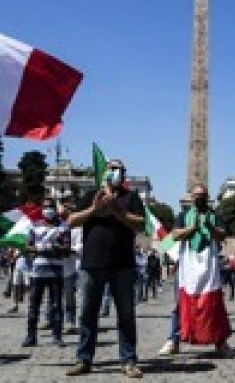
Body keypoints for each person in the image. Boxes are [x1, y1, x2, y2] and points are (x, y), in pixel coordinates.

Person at [66, 158, 145, 378]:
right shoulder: (91, 194)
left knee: (126, 315)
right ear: (104, 172)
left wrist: (118, 211)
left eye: (119, 169)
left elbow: (140, 225)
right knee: (88, 313)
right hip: (93, 262)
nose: (115, 172)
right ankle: (84, 359)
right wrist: (94, 208)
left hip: (123, 263)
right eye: (111, 168)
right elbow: (72, 221)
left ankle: (128, 360)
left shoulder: (131, 197)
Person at [159, 183, 234, 358]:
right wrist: (191, 229)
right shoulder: (183, 216)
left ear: (207, 197)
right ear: (192, 198)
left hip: (209, 264)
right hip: (188, 265)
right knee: (180, 303)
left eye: (202, 195)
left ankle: (220, 342)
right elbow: (175, 235)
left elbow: (222, 236)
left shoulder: (215, 216)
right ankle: (174, 339)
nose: (199, 198)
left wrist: (210, 226)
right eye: (196, 195)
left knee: (214, 304)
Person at [23, 199, 70, 348]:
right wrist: (38, 248)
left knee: (56, 305)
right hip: (38, 270)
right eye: (45, 207)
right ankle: (31, 336)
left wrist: (54, 247)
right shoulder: (35, 225)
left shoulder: (63, 226)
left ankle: (57, 336)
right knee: (34, 305)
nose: (47, 210)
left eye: (50, 207)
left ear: (55, 210)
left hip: (56, 270)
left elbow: (66, 248)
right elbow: (28, 246)